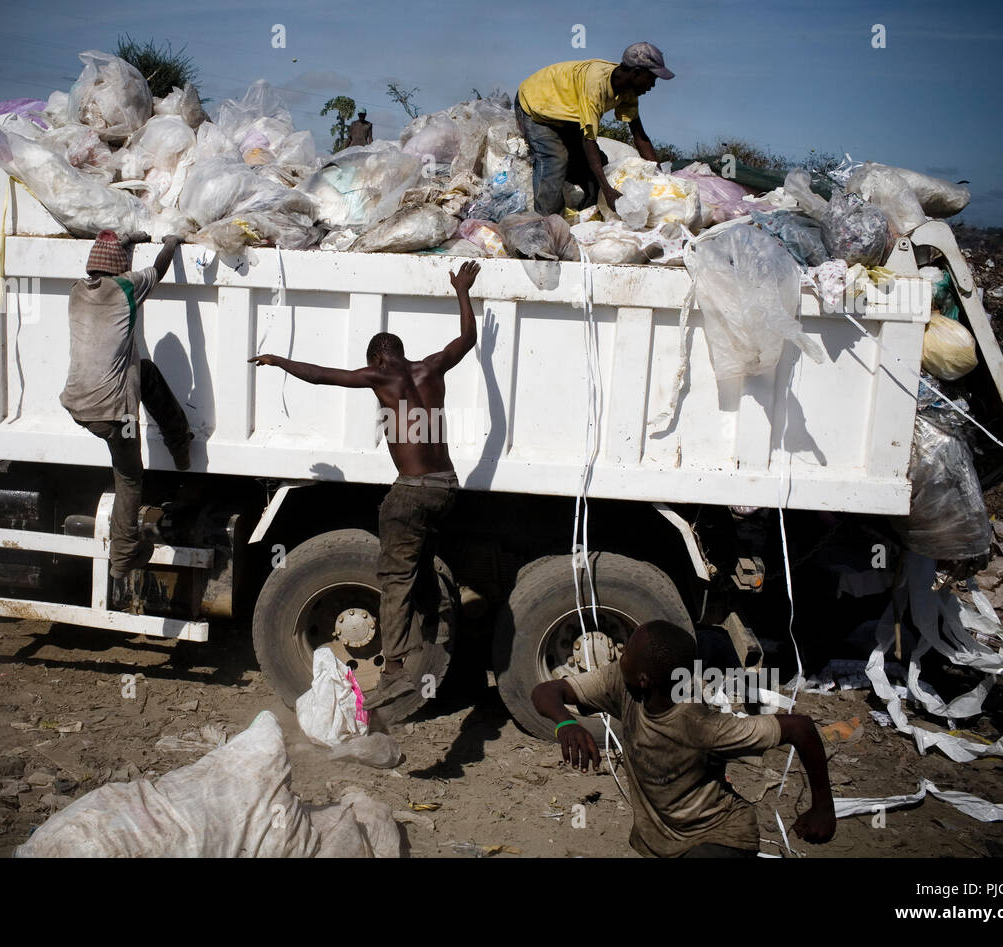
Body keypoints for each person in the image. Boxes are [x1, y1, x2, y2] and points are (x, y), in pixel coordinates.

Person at [250, 261, 481, 707]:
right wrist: (462, 291)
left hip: (412, 490)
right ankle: (437, 621)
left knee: (395, 578)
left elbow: (322, 375)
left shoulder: (381, 377)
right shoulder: (432, 368)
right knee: (420, 560)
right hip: (446, 486)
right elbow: (468, 339)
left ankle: (393, 670)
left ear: (377, 357)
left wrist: (279, 360)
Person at [531, 620, 836, 857]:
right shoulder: (622, 683)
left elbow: (801, 727)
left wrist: (823, 808)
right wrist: (566, 723)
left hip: (718, 837)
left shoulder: (699, 724)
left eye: (626, 656)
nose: (619, 658)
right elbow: (546, 692)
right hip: (665, 839)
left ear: (644, 679)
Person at [59, 229, 193, 608]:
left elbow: (116, 270)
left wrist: (129, 239)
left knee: (145, 372)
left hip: (77, 406)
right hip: (113, 413)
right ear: (120, 270)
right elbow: (158, 269)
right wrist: (171, 243)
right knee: (129, 477)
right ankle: (123, 556)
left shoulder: (76, 291)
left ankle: (178, 444)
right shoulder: (130, 288)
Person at [515, 42, 674, 215]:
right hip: (537, 101)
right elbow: (588, 139)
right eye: (651, 79)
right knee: (555, 158)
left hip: (565, 111)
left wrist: (664, 181)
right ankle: (548, 222)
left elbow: (640, 137)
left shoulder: (629, 93)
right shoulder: (596, 84)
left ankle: (587, 215)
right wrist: (607, 191)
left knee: (600, 166)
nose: (652, 85)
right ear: (636, 73)